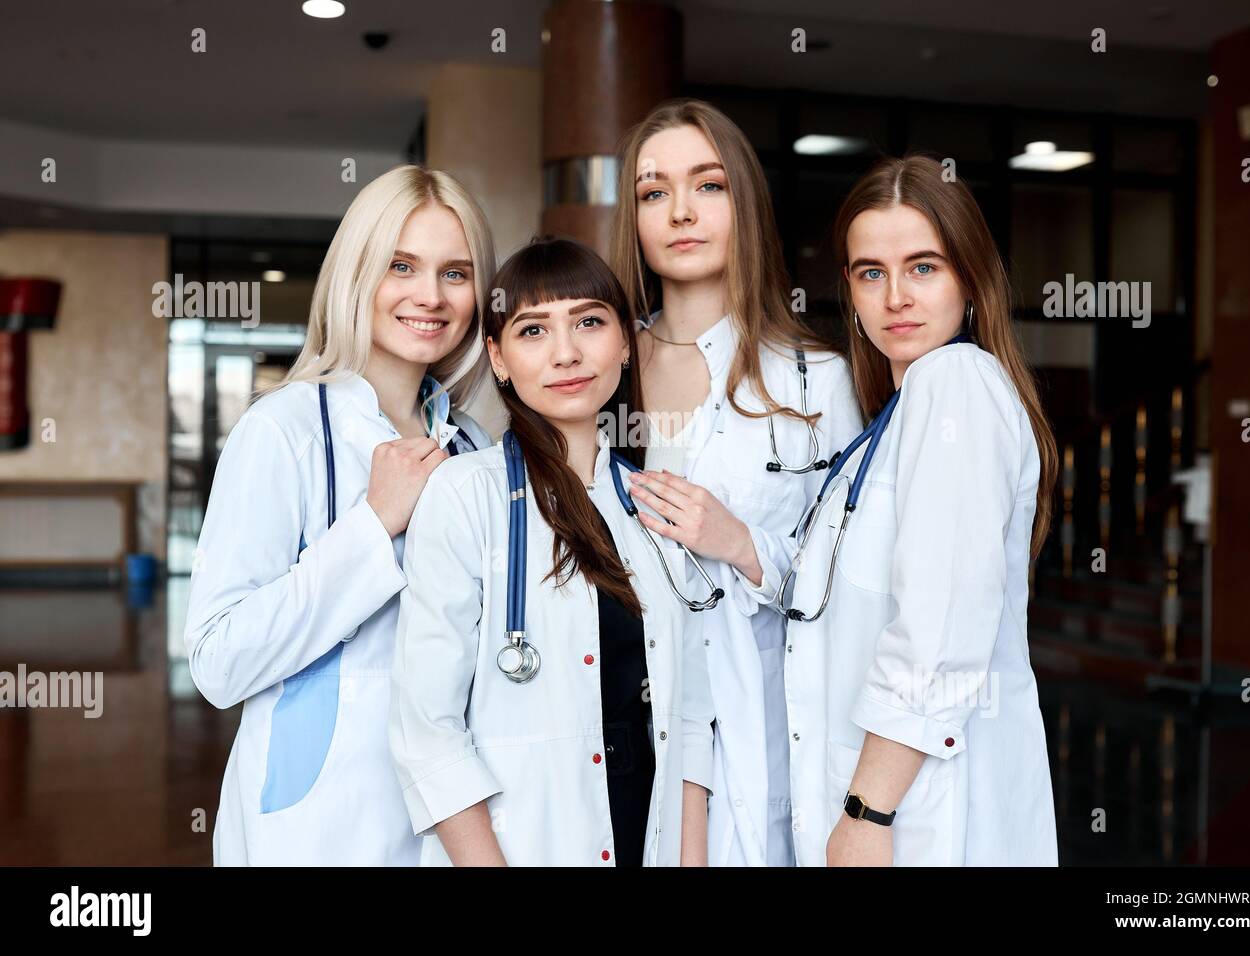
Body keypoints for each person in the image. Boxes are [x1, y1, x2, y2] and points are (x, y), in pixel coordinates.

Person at [184, 166, 494, 865]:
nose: (430, 295)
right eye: (401, 266)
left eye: (456, 273)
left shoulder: (475, 446)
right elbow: (217, 661)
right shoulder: (282, 429)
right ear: (356, 274)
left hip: (454, 816)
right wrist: (373, 526)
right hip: (320, 821)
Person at [389, 238, 714, 866]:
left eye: (589, 322)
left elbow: (693, 717)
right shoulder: (467, 493)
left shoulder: (659, 501)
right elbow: (427, 729)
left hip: (649, 835)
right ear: (498, 357)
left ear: (626, 343)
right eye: (533, 330)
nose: (566, 353)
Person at [783, 155, 1059, 866]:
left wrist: (867, 812)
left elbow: (938, 629)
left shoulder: (954, 381)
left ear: (969, 277)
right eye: (871, 273)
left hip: (918, 810)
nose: (897, 296)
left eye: (923, 267)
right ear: (850, 289)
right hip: (896, 795)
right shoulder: (897, 414)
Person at [608, 98, 863, 865]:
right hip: (616, 727)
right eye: (654, 192)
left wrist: (744, 545)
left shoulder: (816, 380)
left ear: (744, 202)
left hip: (754, 740)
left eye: (708, 185)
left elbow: (856, 587)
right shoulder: (593, 367)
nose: (680, 211)